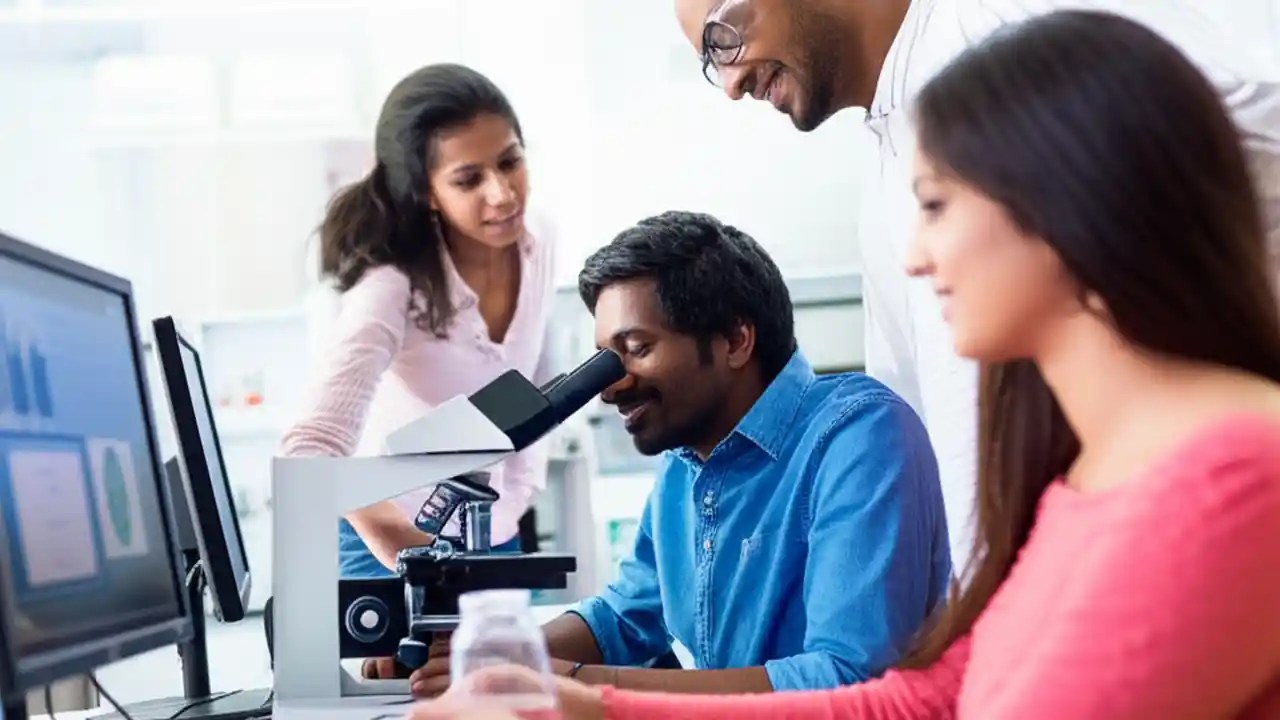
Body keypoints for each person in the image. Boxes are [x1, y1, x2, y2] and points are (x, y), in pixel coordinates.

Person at [408, 10, 1280, 719]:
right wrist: (553, 695)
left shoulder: (1230, 476)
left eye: (935, 204)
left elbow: (849, 677)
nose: (913, 256)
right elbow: (932, 697)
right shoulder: (1072, 488)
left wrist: (594, 696)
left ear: (1067, 194)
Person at [675, 0, 1280, 570]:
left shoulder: (1009, 23)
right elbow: (929, 443)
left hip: (1159, 556)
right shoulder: (886, 189)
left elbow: (1260, 125)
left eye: (722, 36)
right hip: (1026, 605)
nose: (730, 84)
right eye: (710, 63)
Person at [409, 210, 951, 697]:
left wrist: (571, 684)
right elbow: (624, 616)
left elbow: (846, 680)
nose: (609, 387)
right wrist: (484, 658)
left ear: (736, 341)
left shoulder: (858, 435)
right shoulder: (683, 465)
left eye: (636, 350)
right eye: (602, 359)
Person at [278, 63, 557, 583]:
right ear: (426, 191)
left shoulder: (540, 239)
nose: (502, 194)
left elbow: (538, 386)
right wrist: (396, 537)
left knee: (502, 663)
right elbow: (306, 451)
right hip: (391, 535)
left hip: (491, 524)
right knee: (409, 668)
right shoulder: (392, 284)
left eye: (510, 161)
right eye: (468, 179)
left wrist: (515, 500)